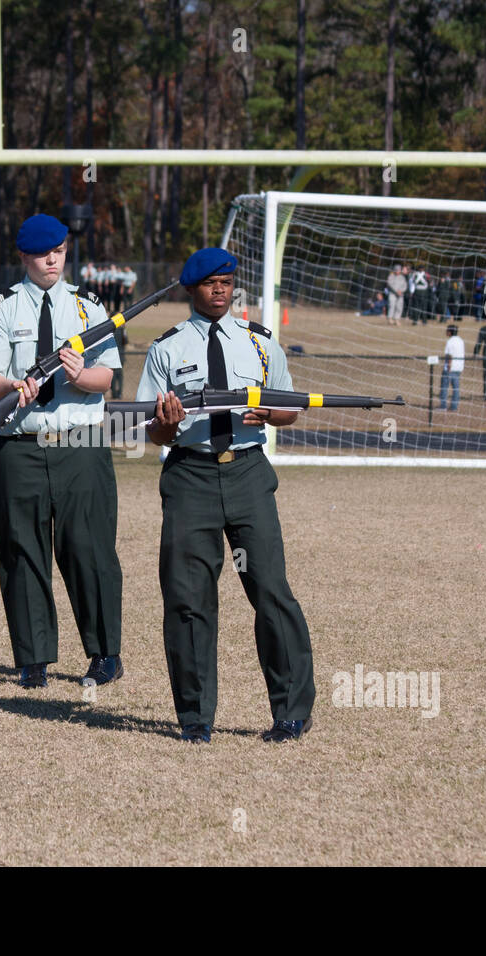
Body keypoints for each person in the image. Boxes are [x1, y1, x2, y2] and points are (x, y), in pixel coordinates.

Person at [136, 247, 315, 745]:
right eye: (211, 283)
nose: (221, 290)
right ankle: (195, 717)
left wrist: (270, 415)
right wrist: (165, 426)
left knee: (270, 591)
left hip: (248, 474)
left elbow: (290, 407)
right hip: (189, 476)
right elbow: (152, 432)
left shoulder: (260, 344)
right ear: (192, 289)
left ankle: (292, 712)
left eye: (227, 282)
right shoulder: (167, 349)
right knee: (188, 599)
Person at [0, 214, 124, 690]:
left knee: (89, 550)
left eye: (58, 250)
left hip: (81, 443)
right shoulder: (1, 309)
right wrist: (13, 386)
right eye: (42, 253)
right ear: (24, 257)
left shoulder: (89, 306)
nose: (52, 259)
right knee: (22, 551)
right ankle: (33, 658)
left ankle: (104, 655)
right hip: (20, 445)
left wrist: (77, 375)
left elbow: (107, 377)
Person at [439, 323, 465, 411]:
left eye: (447, 330)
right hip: (458, 368)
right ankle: (454, 407)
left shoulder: (450, 341)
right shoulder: (461, 341)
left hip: (450, 368)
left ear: (450, 332)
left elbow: (449, 355)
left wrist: (449, 366)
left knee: (444, 387)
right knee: (456, 389)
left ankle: (443, 406)